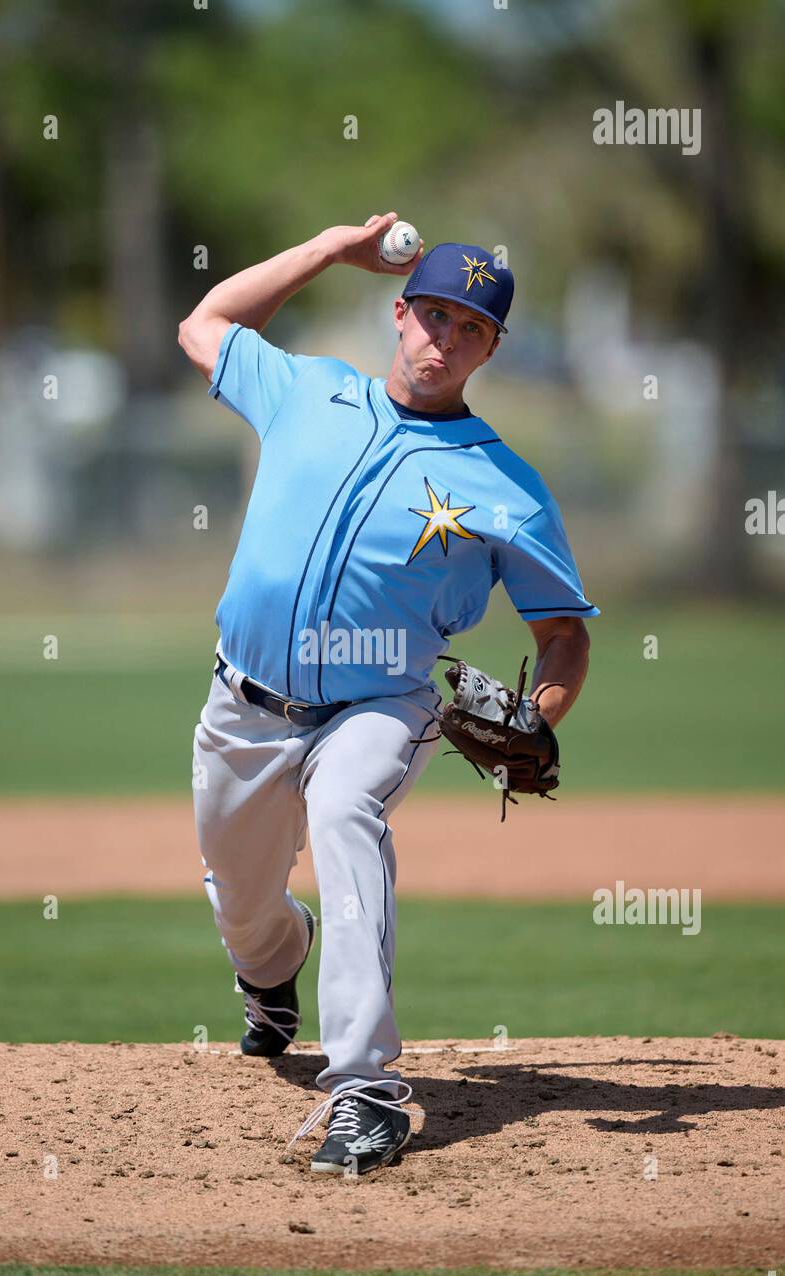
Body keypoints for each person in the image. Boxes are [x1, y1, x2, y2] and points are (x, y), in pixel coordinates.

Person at [178, 212, 598, 1176]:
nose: (445, 340)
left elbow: (563, 633)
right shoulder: (308, 389)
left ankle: (365, 1091)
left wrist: (541, 717)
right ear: (399, 312)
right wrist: (327, 249)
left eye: (472, 328)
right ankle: (271, 969)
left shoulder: (507, 486)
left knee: (345, 810)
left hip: (381, 704)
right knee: (243, 907)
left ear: (491, 347)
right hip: (243, 705)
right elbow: (203, 322)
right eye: (435, 315)